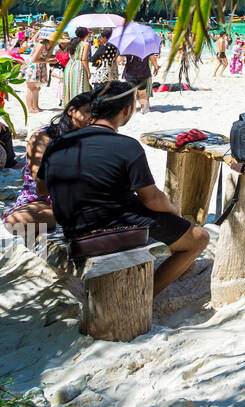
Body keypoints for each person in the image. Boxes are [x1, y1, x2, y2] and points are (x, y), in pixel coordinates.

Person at [40, 82, 209, 296]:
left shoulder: (58, 143)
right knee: (199, 238)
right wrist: (173, 210)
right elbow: (152, 199)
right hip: (111, 228)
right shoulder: (127, 146)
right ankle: (145, 296)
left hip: (73, 227)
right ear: (126, 110)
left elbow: (41, 188)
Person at [2, 91, 96, 237]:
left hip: (83, 199)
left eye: (96, 114)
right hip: (43, 198)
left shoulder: (94, 138)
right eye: (88, 111)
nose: (91, 118)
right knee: (16, 223)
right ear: (71, 111)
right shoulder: (44, 136)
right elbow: (40, 183)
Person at [63, 27, 91, 104]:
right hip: (78, 67)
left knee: (70, 87)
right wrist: (88, 72)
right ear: (86, 34)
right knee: (80, 87)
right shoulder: (86, 44)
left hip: (70, 66)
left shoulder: (72, 42)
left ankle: (70, 104)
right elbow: (84, 59)